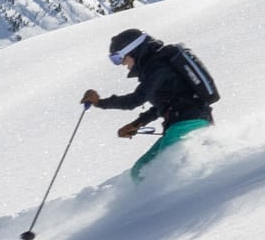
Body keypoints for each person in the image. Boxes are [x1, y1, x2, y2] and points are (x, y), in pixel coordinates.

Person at [81, 28, 219, 181]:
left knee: (155, 172)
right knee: (140, 171)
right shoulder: (155, 67)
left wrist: (99, 102)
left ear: (134, 51)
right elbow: (166, 103)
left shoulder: (158, 67)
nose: (121, 63)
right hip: (186, 121)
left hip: (188, 123)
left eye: (119, 57)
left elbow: (135, 100)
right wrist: (138, 123)